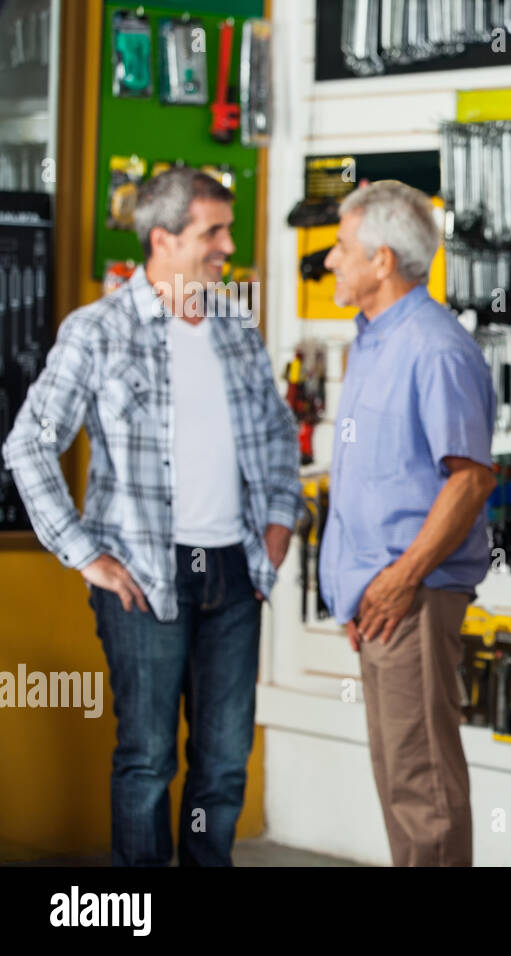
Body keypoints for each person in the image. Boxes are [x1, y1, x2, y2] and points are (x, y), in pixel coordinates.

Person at [2, 167, 302, 866]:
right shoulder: (98, 331)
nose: (228, 245)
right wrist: (84, 554)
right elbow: (29, 443)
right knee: (146, 761)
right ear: (163, 239)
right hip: (143, 574)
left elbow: (278, 433)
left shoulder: (234, 326)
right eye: (213, 232)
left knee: (224, 762)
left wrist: (280, 524)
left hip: (234, 571)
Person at [319, 180, 496, 867]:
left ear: (382, 259)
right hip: (382, 598)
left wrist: (397, 579)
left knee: (422, 785)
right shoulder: (373, 341)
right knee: (400, 778)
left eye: (340, 247)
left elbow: (472, 478)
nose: (331, 261)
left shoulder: (434, 346)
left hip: (412, 598)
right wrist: (357, 583)